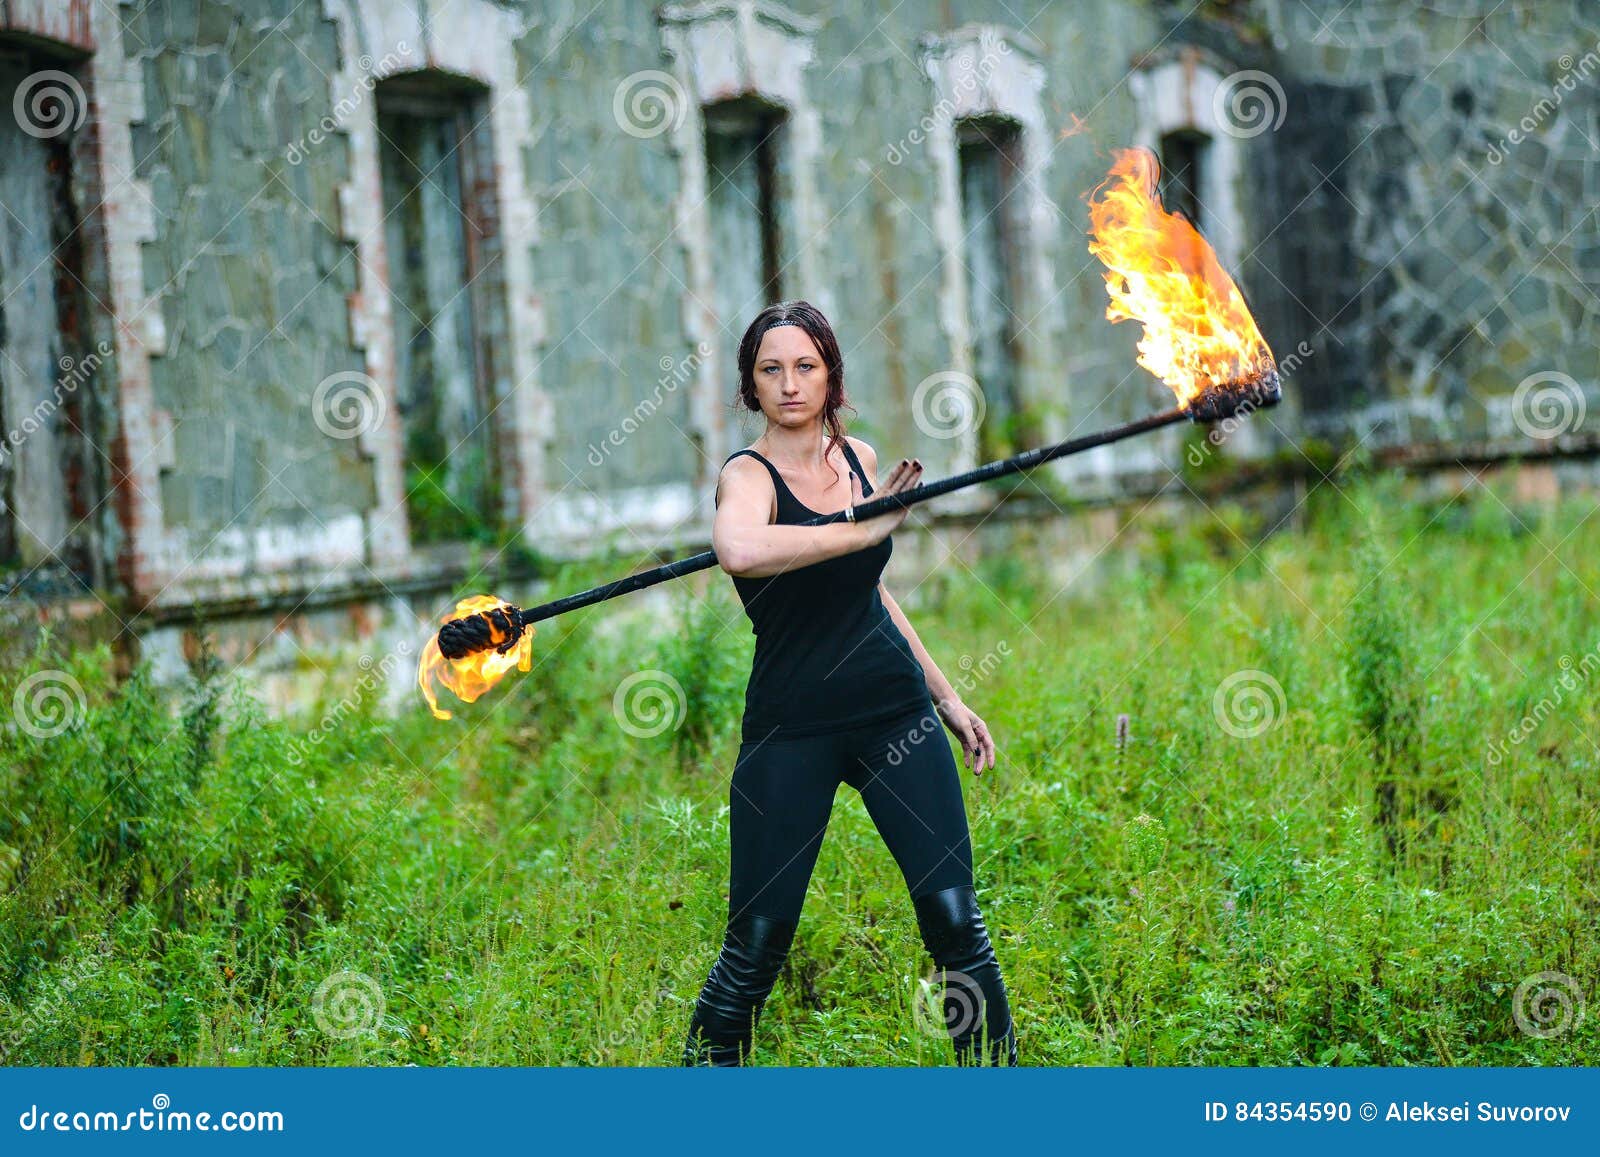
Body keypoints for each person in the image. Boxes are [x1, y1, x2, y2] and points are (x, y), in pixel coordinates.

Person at [681, 300, 1018, 1067]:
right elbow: (738, 550)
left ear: (830, 373)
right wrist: (857, 529)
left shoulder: (860, 459)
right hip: (792, 727)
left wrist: (946, 695)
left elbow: (873, 593)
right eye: (771, 369)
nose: (789, 383)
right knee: (756, 942)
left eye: (805, 366)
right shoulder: (747, 475)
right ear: (750, 384)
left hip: (894, 711)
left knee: (956, 920)